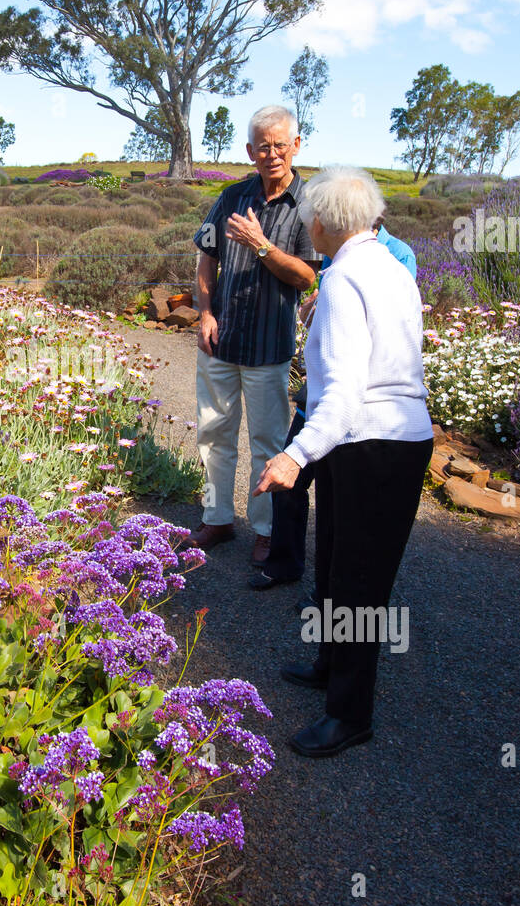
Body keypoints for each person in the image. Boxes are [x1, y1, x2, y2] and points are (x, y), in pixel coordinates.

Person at [254, 166, 433, 759]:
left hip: (373, 443)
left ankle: (349, 715)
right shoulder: (390, 268)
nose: (308, 227)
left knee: (359, 584)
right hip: (368, 443)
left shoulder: (343, 279)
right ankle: (331, 663)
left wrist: (294, 454)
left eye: (310, 219)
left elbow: (347, 388)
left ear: (325, 222)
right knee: (333, 558)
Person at [182, 106, 320, 564]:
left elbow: (306, 276)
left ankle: (264, 529)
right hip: (220, 341)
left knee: (267, 442)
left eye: (281, 145)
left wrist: (262, 247)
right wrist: (204, 313)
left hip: (268, 347)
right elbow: (207, 257)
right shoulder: (230, 197)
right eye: (264, 146)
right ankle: (217, 519)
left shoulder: (308, 206)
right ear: (250, 151)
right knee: (214, 433)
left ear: (296, 146)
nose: (273, 154)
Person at [249, 217, 418, 591]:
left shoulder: (396, 256)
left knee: (338, 507)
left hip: (355, 410)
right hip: (319, 398)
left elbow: (388, 328)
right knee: (291, 484)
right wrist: (315, 312)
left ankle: (328, 596)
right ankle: (285, 563)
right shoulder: (336, 256)